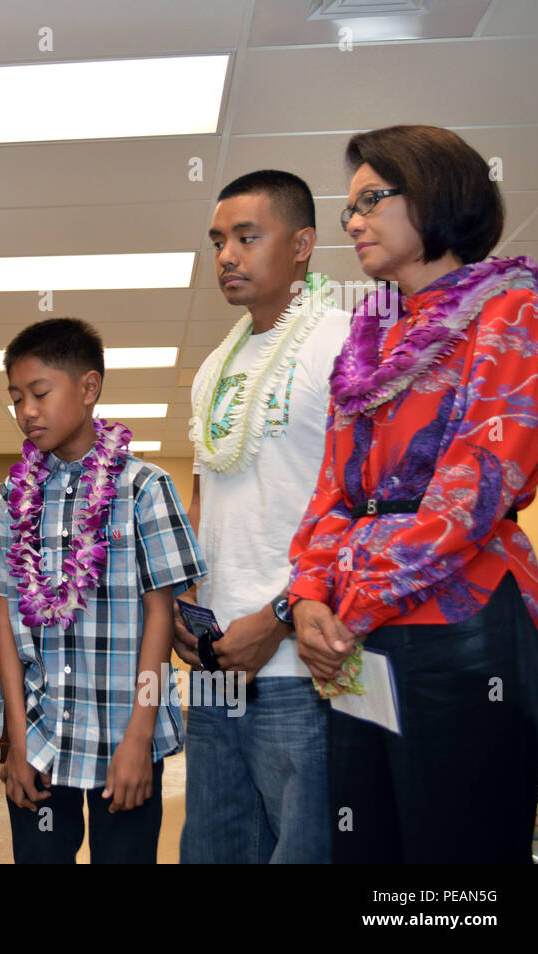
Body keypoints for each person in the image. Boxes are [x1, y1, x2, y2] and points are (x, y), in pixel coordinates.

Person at [288, 124, 538, 863]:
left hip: (460, 626)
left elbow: (477, 486)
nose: (354, 220)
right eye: (349, 208)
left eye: (372, 198)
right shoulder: (369, 332)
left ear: (437, 192)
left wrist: (347, 610)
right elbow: (335, 489)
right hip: (357, 633)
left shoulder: (513, 305)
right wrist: (309, 596)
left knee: (452, 870)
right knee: (369, 848)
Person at [0, 318, 205, 864]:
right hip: (42, 737)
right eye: (15, 398)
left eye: (39, 393)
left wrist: (139, 738)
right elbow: (2, 618)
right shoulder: (11, 500)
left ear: (89, 387)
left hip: (122, 735)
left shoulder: (144, 487)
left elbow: (159, 616)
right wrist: (16, 741)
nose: (26, 410)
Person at [173, 171, 350, 863]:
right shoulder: (215, 363)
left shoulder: (342, 342)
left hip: (302, 667)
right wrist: (189, 597)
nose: (226, 255)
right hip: (216, 664)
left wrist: (277, 617)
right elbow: (204, 490)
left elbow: (357, 510)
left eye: (248, 237)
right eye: (219, 240)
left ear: (302, 243)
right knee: (214, 852)